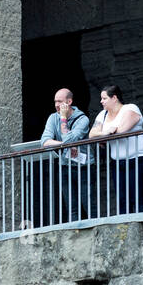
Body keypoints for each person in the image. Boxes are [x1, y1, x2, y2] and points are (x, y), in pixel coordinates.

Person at [89, 83, 143, 215]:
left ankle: (142, 226)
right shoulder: (103, 115)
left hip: (139, 158)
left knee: (137, 196)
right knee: (123, 199)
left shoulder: (130, 108)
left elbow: (122, 130)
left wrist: (105, 135)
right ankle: (126, 229)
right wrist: (106, 132)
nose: (101, 101)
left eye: (104, 98)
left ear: (114, 98)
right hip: (118, 162)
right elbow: (91, 135)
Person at [40, 88, 95, 223]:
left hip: (85, 166)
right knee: (71, 206)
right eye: (55, 102)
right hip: (65, 165)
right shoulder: (53, 118)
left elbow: (70, 139)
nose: (56, 105)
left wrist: (63, 119)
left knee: (88, 203)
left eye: (60, 101)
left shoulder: (83, 119)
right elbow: (45, 141)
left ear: (69, 102)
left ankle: (96, 229)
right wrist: (64, 145)